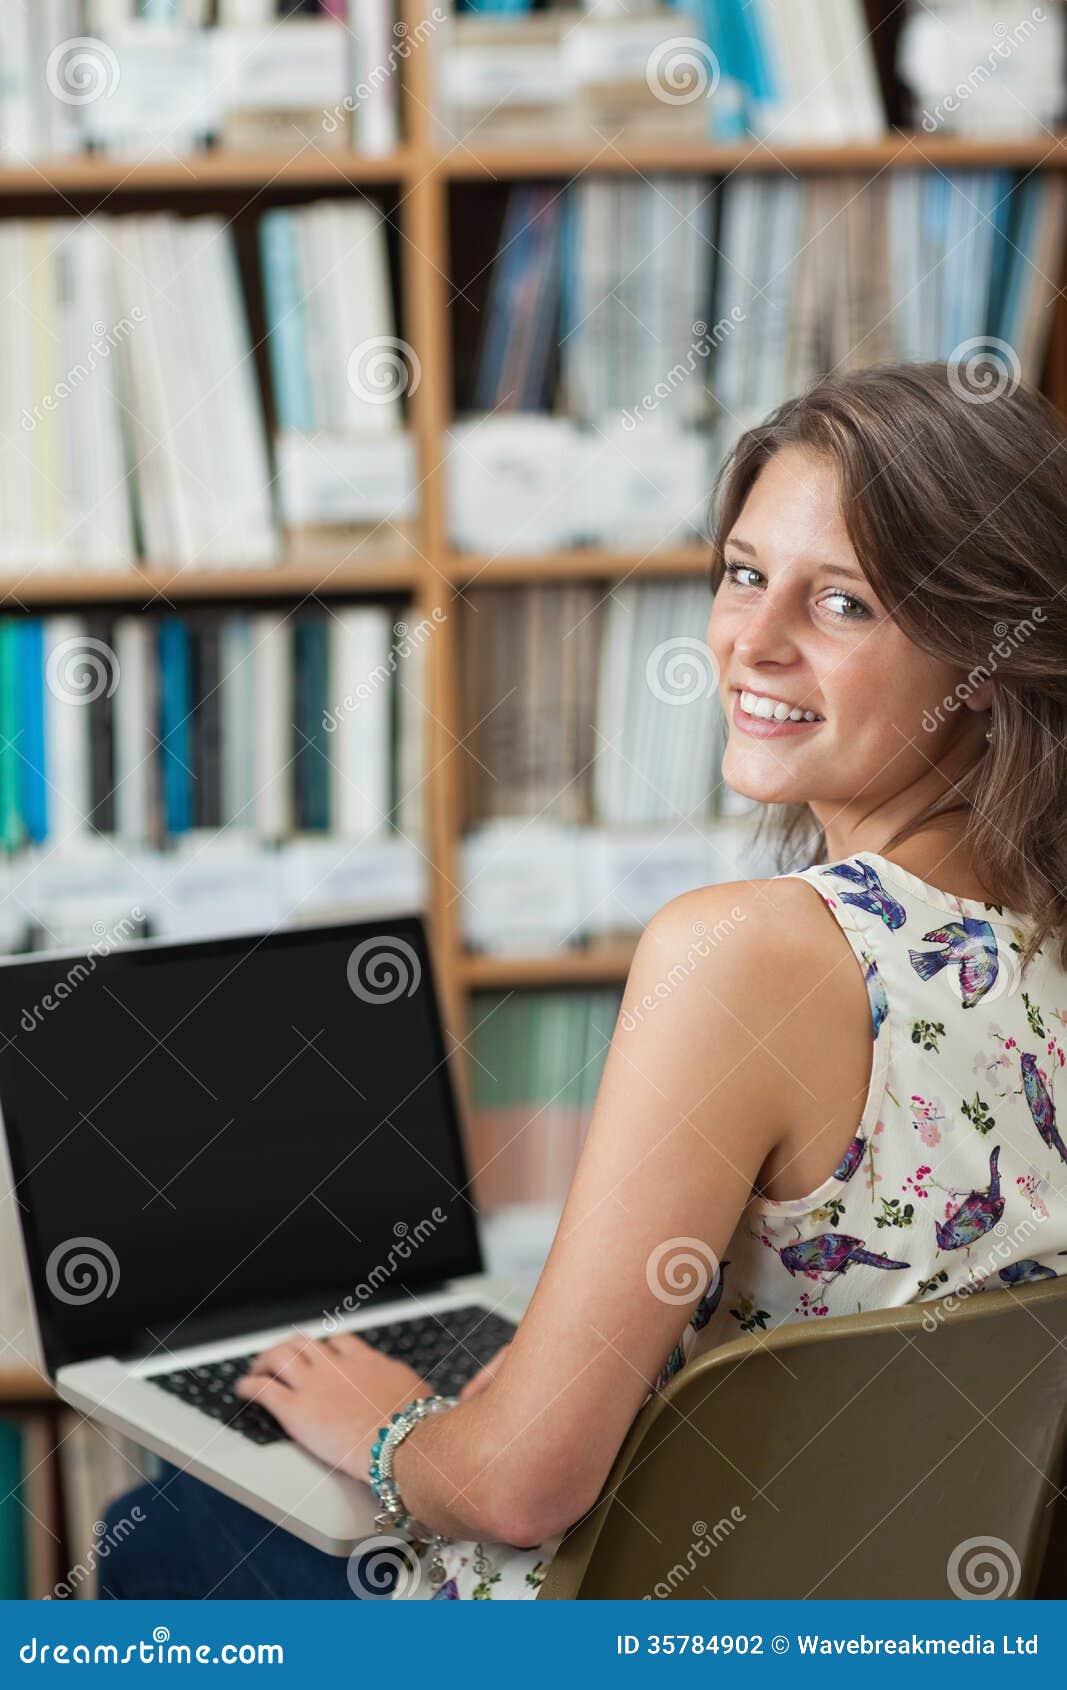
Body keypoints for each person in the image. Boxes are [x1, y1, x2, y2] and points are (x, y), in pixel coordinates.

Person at [102, 361, 1067, 1600]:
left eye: (844, 605)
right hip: (911, 1620)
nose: (751, 643)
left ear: (985, 656)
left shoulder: (751, 952)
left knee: (162, 1527)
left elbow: (522, 1485)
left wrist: (392, 1424)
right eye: (741, 572)